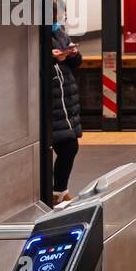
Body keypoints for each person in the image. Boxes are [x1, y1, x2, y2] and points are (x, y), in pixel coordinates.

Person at [50, 21, 82, 204]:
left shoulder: (59, 33)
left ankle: (59, 192)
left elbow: (76, 63)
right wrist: (52, 58)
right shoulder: (33, 35)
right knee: (68, 146)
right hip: (52, 99)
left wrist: (73, 54)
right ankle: (58, 192)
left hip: (64, 99)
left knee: (70, 146)